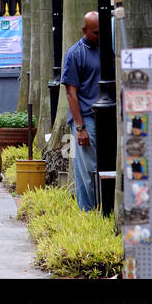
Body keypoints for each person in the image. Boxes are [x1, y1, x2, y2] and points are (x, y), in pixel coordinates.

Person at [60, 11, 101, 212]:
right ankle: (92, 211)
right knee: (89, 169)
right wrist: (80, 127)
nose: (99, 36)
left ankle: (89, 210)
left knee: (86, 167)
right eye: (95, 33)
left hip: (103, 116)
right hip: (86, 118)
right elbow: (70, 93)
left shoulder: (106, 48)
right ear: (84, 30)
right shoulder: (76, 53)